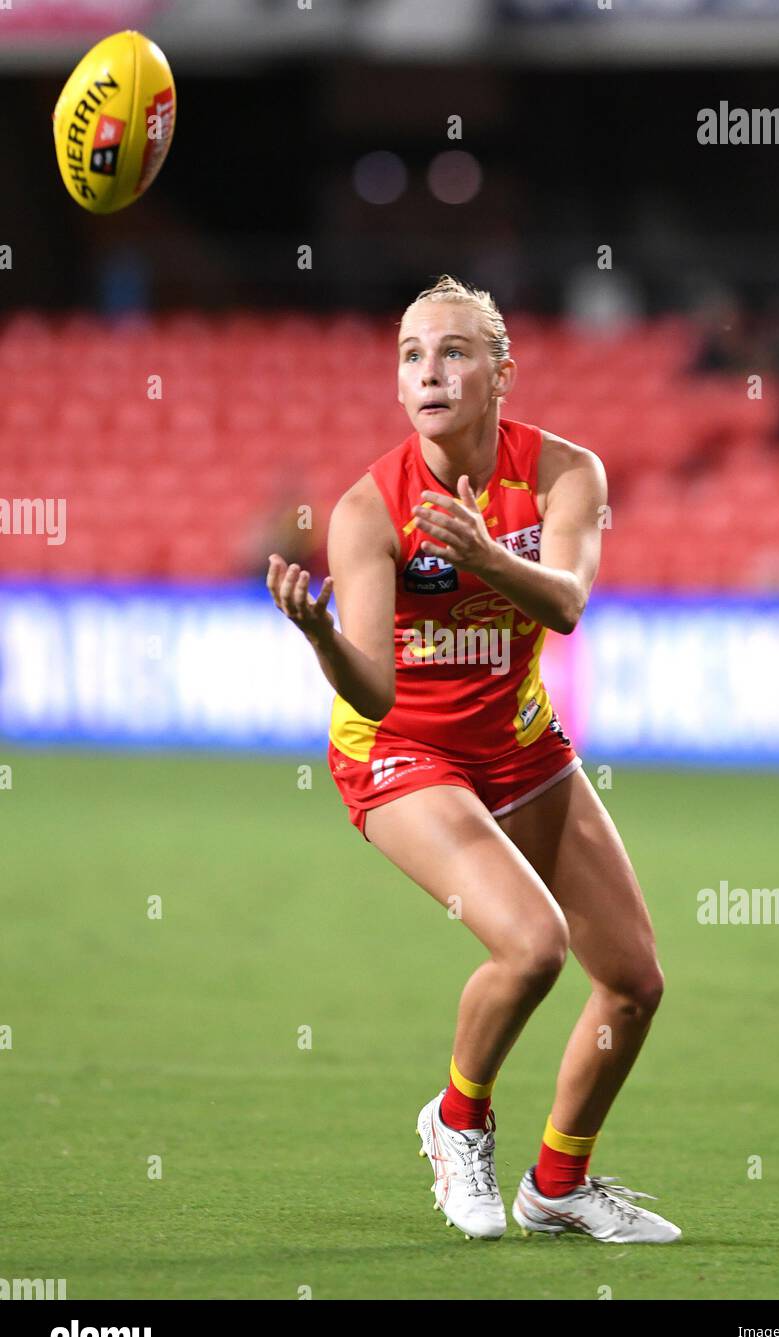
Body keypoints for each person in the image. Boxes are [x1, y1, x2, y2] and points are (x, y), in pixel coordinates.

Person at [266, 275, 680, 1245]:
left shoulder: (565, 472)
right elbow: (372, 689)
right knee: (533, 945)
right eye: (411, 354)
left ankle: (558, 1185)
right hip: (399, 749)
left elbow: (567, 602)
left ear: (501, 371)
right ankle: (456, 1120)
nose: (429, 370)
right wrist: (323, 640)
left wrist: (488, 556)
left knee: (633, 980)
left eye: (453, 351)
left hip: (518, 741)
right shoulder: (370, 509)